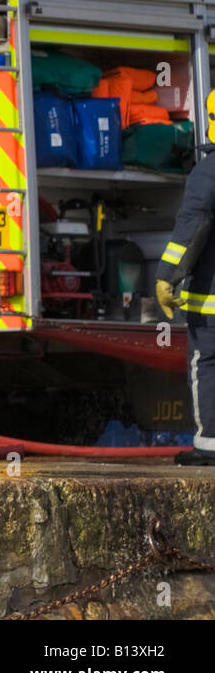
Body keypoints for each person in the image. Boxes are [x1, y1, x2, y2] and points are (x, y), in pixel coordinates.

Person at [155, 89, 215, 466]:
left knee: (207, 362)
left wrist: (166, 277)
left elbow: (192, 230)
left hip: (211, 304)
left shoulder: (208, 172)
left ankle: (210, 445)